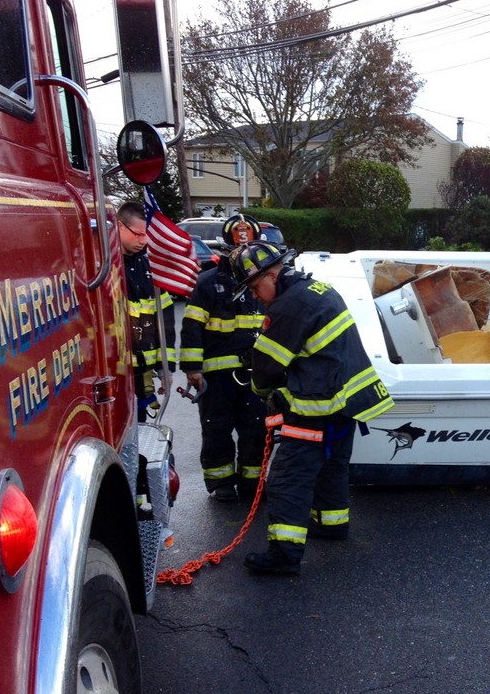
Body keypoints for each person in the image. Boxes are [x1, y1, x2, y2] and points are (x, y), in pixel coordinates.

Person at [228, 241, 394, 575]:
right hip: (348, 402)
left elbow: (267, 367)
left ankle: (284, 556)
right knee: (332, 465)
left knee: (289, 477)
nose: (255, 296)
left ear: (272, 275)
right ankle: (332, 526)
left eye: (255, 286)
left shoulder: (288, 306)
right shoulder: (318, 288)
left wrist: (263, 392)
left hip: (317, 405)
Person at [179, 215, 267, 502]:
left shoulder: (262, 283)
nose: (245, 257)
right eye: (239, 251)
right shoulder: (207, 283)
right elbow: (192, 327)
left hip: (255, 375)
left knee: (255, 429)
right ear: (226, 249)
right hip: (216, 377)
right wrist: (193, 368)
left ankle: (252, 484)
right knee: (216, 429)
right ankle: (222, 483)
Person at [118, 200, 175, 421]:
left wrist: (165, 368)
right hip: (117, 375)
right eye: (138, 234)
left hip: (142, 374)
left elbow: (165, 321)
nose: (143, 241)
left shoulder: (148, 268)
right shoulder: (105, 266)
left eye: (146, 236)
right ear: (119, 226)